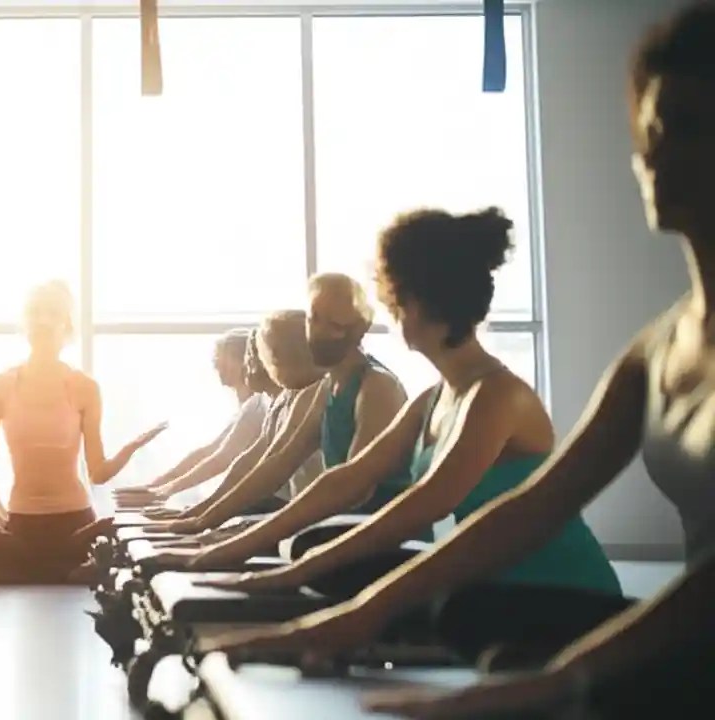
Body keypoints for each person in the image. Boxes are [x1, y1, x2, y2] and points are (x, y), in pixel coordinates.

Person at [200, 6, 715, 717]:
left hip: (657, 626)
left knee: (473, 629)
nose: (654, 155)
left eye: (687, 128)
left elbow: (433, 505)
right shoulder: (655, 350)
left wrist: (557, 683)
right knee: (456, 617)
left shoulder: (495, 396)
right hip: (672, 632)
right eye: (650, 132)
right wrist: (326, 612)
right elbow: (533, 505)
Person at [194, 208, 620, 639]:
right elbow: (347, 478)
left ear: (412, 303)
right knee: (320, 553)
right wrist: (221, 548)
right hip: (494, 587)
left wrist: (294, 574)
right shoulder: (433, 397)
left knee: (328, 561)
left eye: (389, 294)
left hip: (563, 597)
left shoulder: (496, 396)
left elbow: (426, 503)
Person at [0, 280, 166, 583]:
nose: (42, 320)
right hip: (21, 527)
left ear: (66, 324)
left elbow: (98, 473)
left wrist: (130, 448)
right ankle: (61, 571)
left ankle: (17, 569)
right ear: (25, 322)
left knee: (119, 529)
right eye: (35, 313)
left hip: (75, 525)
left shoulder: (84, 388)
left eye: (52, 313)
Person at [158, 275, 408, 537]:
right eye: (314, 319)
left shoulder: (377, 386)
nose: (319, 332)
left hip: (377, 543)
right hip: (337, 533)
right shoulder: (325, 389)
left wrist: (255, 534)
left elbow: (351, 490)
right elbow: (277, 463)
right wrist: (204, 518)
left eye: (333, 324)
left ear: (359, 328)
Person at [144, 314, 324, 526]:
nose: (251, 365)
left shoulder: (303, 397)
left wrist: (201, 514)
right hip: (294, 506)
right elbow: (246, 458)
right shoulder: (276, 400)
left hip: (302, 509)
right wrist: (201, 509)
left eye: (256, 356)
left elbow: (246, 461)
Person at [114, 329, 270, 508]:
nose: (216, 365)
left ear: (244, 361)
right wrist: (156, 486)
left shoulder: (258, 407)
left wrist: (162, 490)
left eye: (220, 359)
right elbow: (208, 452)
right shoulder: (249, 407)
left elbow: (220, 459)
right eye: (215, 360)